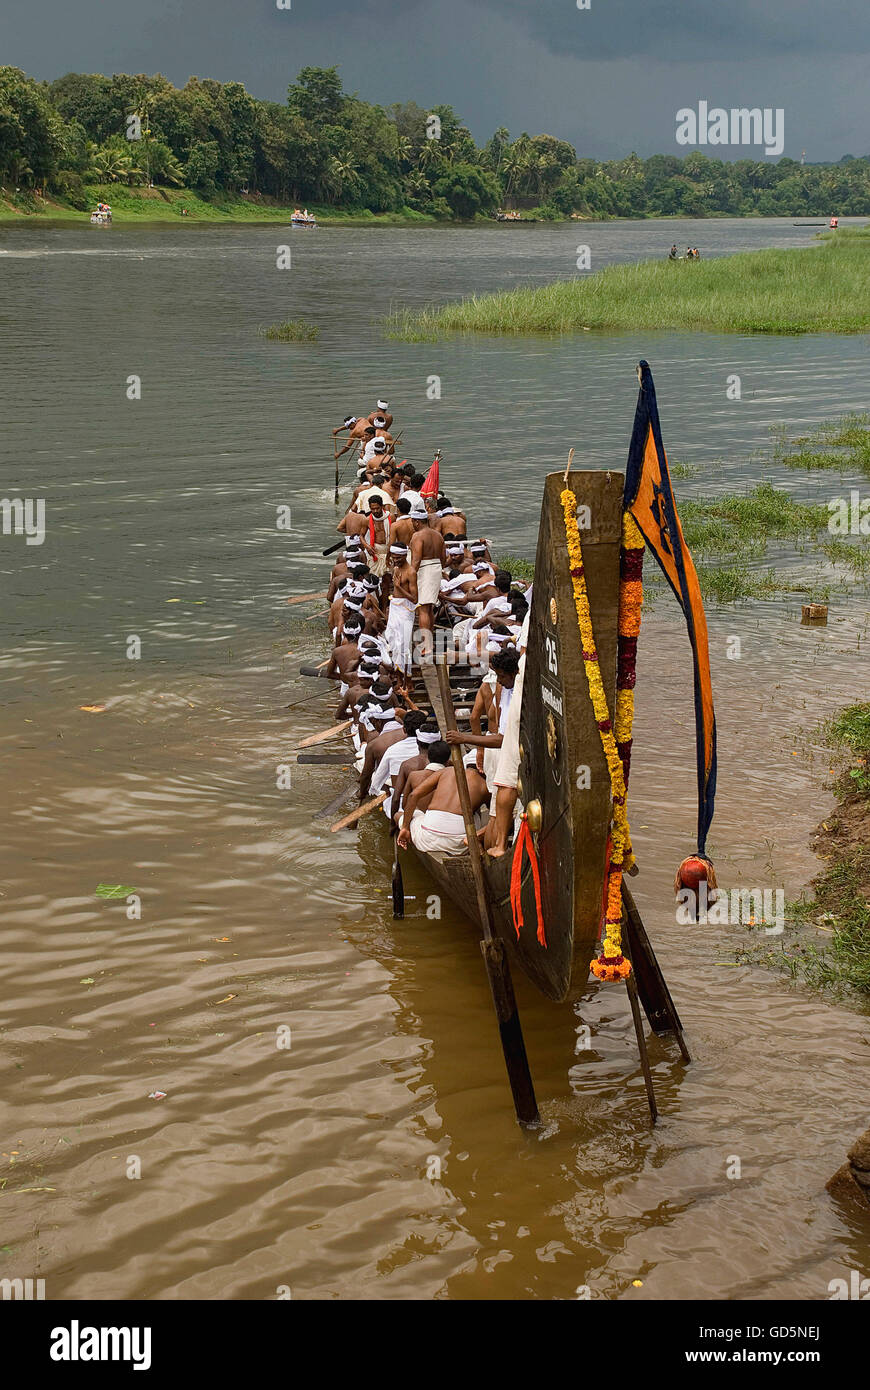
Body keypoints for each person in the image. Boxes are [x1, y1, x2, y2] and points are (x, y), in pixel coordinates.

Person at [398, 750, 489, 856]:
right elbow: (495, 819)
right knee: (480, 817)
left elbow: (413, 796)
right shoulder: (485, 785)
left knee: (399, 815)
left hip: (428, 837)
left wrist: (405, 827)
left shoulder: (446, 771)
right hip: (459, 843)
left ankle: (404, 831)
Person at [409, 504, 446, 657]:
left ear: (417, 522)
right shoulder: (438, 535)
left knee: (423, 608)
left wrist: (409, 576)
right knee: (429, 608)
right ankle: (428, 642)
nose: (412, 524)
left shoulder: (418, 536)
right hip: (436, 567)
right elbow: (444, 559)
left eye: (412, 522)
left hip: (425, 568)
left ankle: (427, 646)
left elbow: (416, 560)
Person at [383, 543, 417, 672]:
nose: (395, 560)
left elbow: (415, 599)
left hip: (406, 609)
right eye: (394, 557)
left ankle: (407, 680)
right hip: (395, 606)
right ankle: (398, 675)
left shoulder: (411, 572)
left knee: (403, 644)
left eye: (398, 558)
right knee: (392, 639)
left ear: (405, 555)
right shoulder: (396, 569)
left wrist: (398, 587)